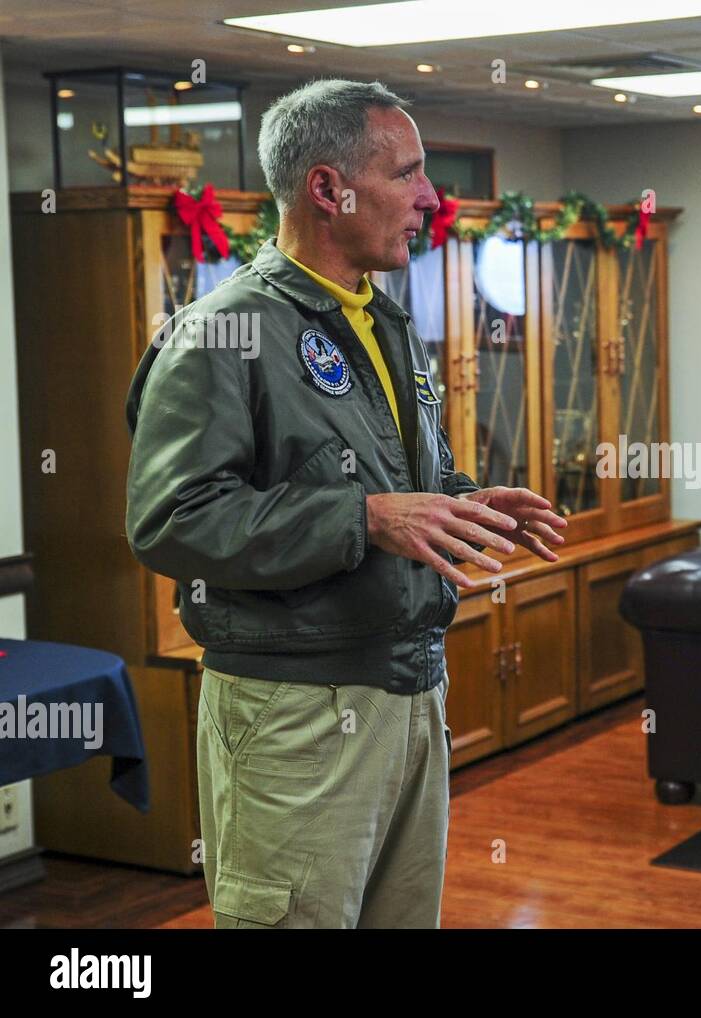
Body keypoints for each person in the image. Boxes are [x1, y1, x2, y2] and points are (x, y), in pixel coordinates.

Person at [125, 79, 567, 928]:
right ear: (329, 189)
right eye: (409, 174)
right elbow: (174, 519)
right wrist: (365, 519)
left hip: (410, 693)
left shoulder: (382, 318)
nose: (431, 199)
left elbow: (392, 478)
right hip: (296, 713)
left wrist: (465, 502)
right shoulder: (219, 334)